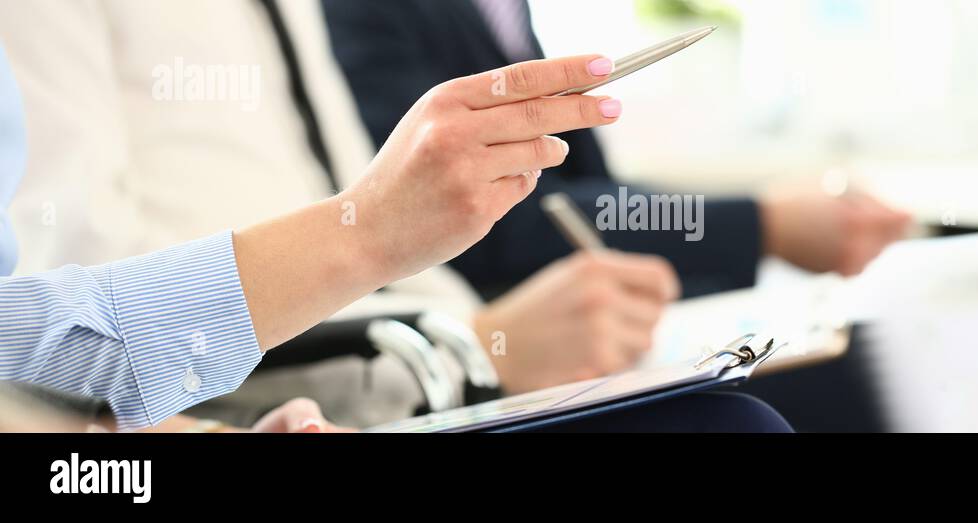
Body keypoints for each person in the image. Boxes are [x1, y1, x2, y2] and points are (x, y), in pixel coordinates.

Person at [0, 0, 680, 427]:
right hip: (267, 380)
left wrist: (473, 330)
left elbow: (353, 197)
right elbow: (70, 309)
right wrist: (475, 346)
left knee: (718, 410)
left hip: (373, 365)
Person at [322, 0, 915, 299]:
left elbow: (581, 189)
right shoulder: (357, 12)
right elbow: (486, 219)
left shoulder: (503, 9)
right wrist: (762, 226)